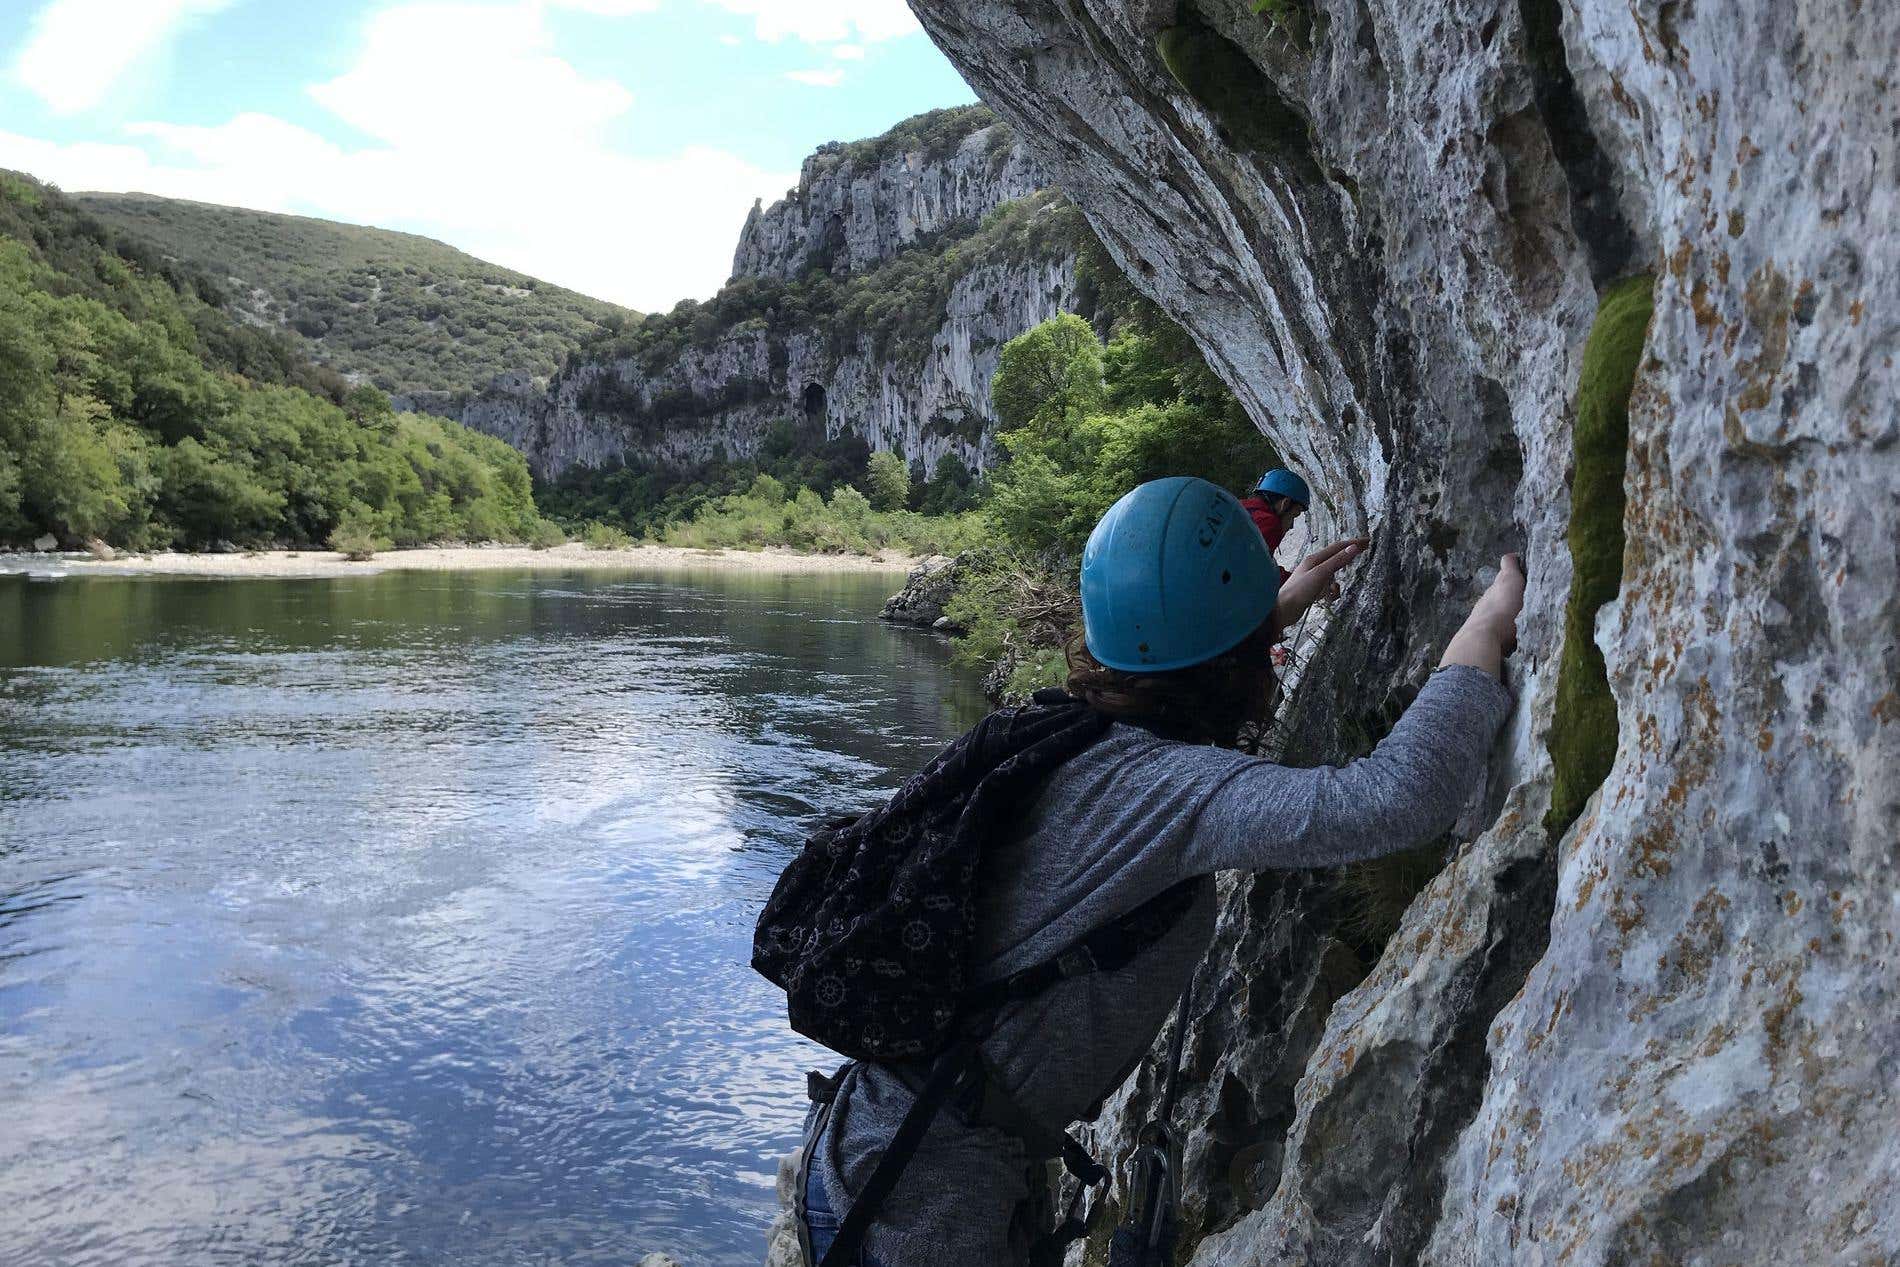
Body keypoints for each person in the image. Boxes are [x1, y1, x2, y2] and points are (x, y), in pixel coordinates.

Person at [798, 477, 1523, 1267]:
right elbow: (1392, 798)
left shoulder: (1068, 729)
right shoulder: (1169, 791)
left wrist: (1272, 611)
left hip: (874, 1156)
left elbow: (1178, 664)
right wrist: (1485, 626)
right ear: (1234, 659)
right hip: (917, 1209)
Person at [1239, 467, 1310, 582]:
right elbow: (1262, 575)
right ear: (1285, 504)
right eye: (1294, 515)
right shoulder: (1268, 523)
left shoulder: (1240, 507)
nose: (1291, 525)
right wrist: (1312, 583)